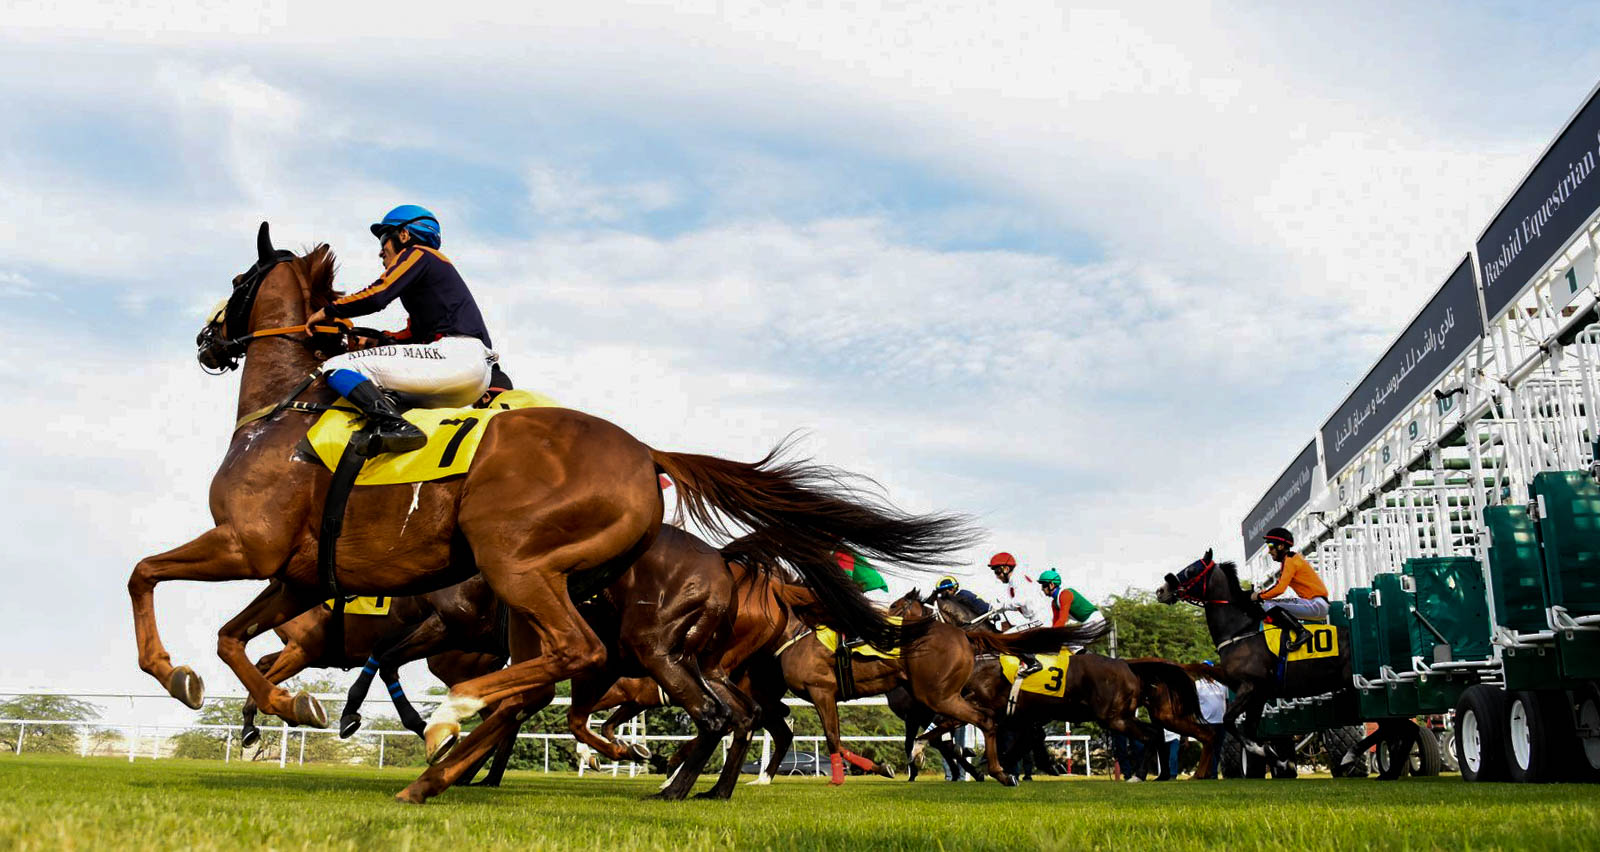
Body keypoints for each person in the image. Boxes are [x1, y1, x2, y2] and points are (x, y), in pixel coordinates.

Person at [305, 205, 500, 455]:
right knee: (385, 395)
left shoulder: (418, 254)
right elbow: (412, 336)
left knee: (336, 366)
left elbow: (378, 295)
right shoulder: (432, 279)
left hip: (455, 360)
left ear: (404, 235)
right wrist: (377, 341)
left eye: (385, 239)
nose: (380, 252)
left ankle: (395, 426)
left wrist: (329, 311)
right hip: (471, 377)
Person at [1250, 527, 1330, 651]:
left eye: (1271, 547)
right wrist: (1261, 594)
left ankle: (1301, 632)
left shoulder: (1290, 560)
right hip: (1315, 603)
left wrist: (1259, 596)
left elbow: (1280, 589)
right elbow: (1277, 586)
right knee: (1270, 605)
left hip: (1316, 604)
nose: (1269, 552)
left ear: (1281, 546)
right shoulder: (1289, 560)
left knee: (1268, 604)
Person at [1037, 569, 1106, 651]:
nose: (1042, 589)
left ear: (1051, 585)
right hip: (1087, 622)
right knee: (1065, 643)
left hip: (1095, 621)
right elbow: (1056, 623)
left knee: (1072, 645)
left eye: (1044, 585)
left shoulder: (1065, 594)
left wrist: (1048, 636)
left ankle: (1092, 663)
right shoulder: (1054, 603)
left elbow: (1062, 620)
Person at [985, 552, 1040, 630]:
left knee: (1006, 637)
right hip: (1035, 619)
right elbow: (1020, 604)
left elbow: (1020, 601)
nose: (997, 577)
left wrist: (1002, 606)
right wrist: (1001, 609)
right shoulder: (1015, 580)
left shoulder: (1017, 579)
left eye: (997, 572)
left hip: (1040, 619)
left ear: (1006, 569)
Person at [1195, 660, 1228, 780]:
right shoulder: (1198, 685)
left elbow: (1227, 701)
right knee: (1209, 748)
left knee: (1217, 749)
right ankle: (1211, 773)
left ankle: (1210, 772)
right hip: (1206, 722)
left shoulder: (1222, 685)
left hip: (1220, 721)